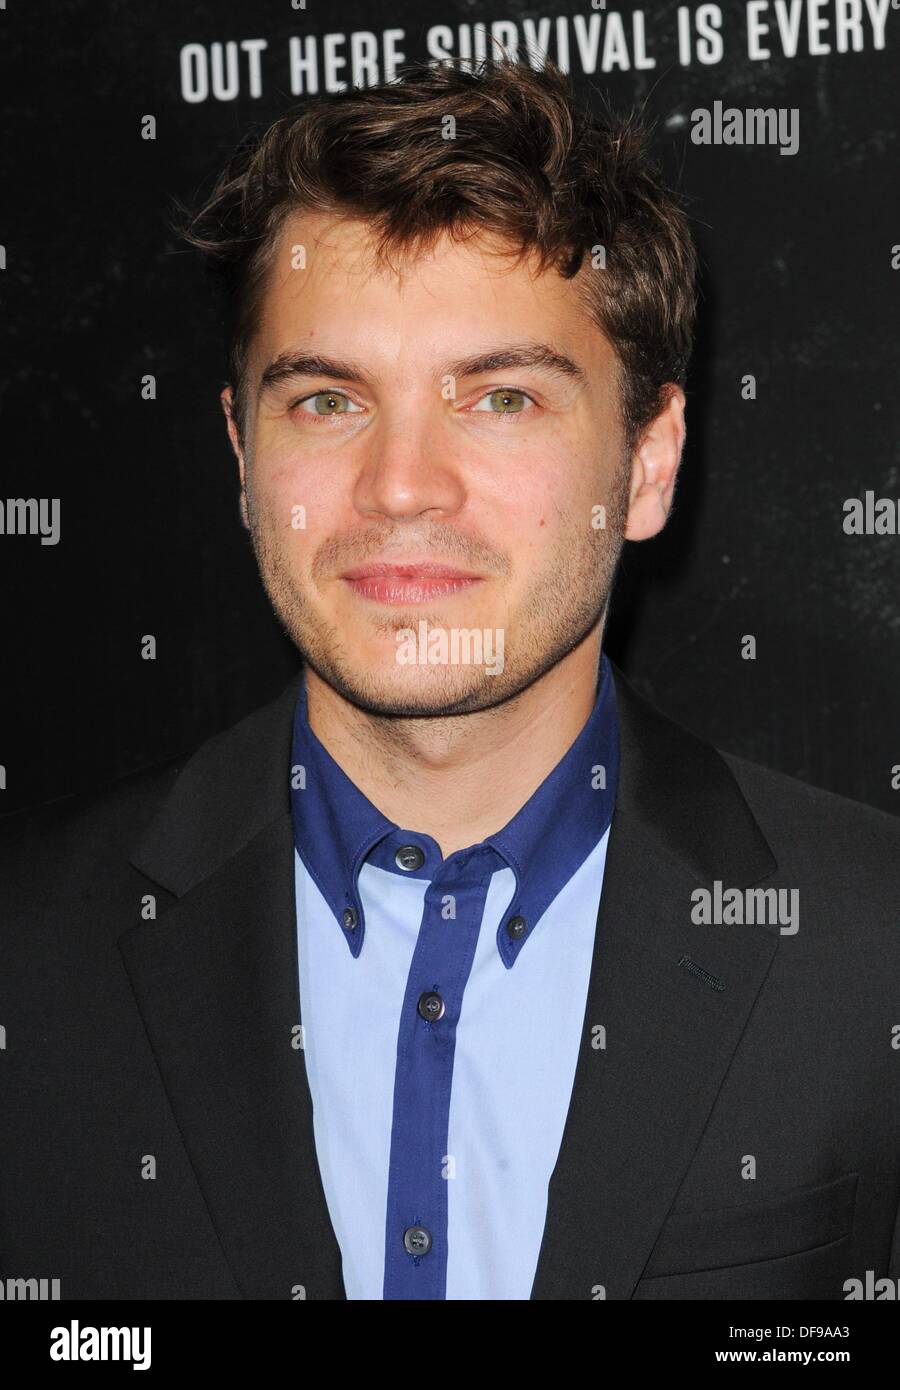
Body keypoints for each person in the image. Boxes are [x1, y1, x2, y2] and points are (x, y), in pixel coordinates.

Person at [2, 57, 898, 1302]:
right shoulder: (30, 952)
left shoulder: (870, 950)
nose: (402, 484)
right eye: (325, 399)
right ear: (242, 456)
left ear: (647, 464)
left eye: (501, 397)